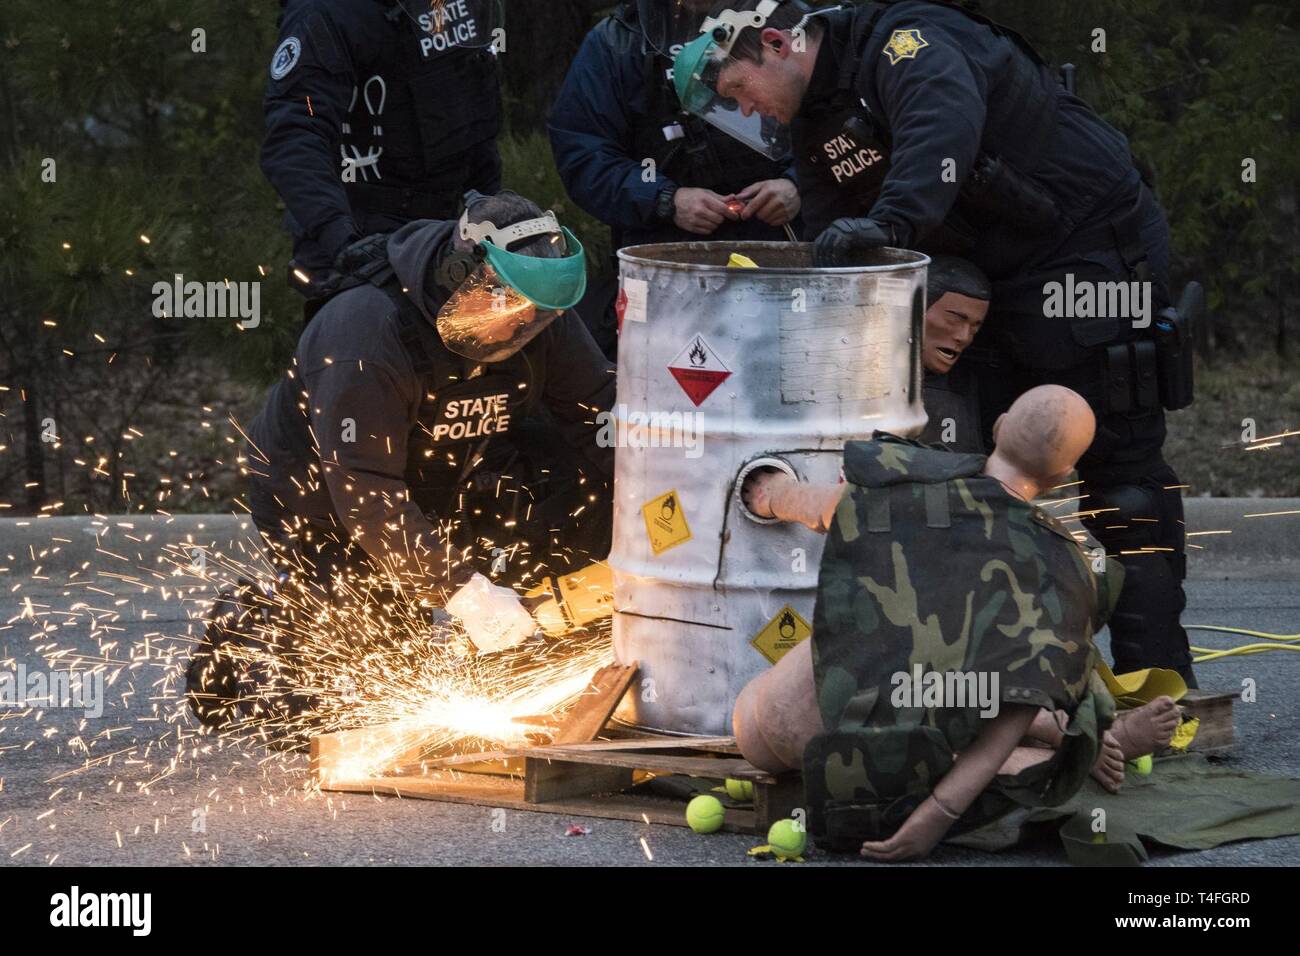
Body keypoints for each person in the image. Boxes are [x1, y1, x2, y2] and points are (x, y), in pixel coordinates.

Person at [674, 0, 1200, 684]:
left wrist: (891, 224)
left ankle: (1160, 690)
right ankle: (995, 687)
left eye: (740, 91)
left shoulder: (906, 46)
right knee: (962, 477)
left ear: (776, 43)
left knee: (1123, 486)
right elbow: (833, 239)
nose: (747, 111)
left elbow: (940, 133)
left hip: (1087, 256)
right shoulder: (815, 121)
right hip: (985, 279)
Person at [188, 191, 615, 726]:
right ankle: (256, 627)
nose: (519, 329)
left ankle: (514, 649)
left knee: (571, 484)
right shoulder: (364, 332)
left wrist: (664, 515)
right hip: (329, 507)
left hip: (450, 481)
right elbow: (367, 490)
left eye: (537, 318)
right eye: (509, 308)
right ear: (461, 272)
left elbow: (602, 417)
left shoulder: (537, 314)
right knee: (357, 702)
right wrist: (465, 593)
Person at [735, 385, 1180, 860]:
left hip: (773, 717)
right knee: (1034, 745)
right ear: (1064, 476)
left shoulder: (904, 480)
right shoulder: (1061, 566)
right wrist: (936, 816)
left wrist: (770, 494)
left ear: (999, 425)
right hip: (892, 757)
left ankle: (1061, 729)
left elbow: (822, 507)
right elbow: (1011, 716)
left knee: (933, 659)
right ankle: (1074, 740)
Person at [548, 0, 802, 357]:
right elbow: (583, 154)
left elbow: (838, 118)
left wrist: (797, 184)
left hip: (778, 247)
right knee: (674, 374)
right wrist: (664, 199)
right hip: (665, 256)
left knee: (783, 365)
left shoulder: (777, 18)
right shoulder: (618, 41)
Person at [262, 0, 504, 303]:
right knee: (370, 327)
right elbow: (296, 134)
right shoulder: (324, 14)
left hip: (445, 229)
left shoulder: (443, 5)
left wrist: (490, 205)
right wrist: (342, 239)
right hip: (358, 234)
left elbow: (474, 114)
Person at [916, 255, 989, 453]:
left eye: (975, 327)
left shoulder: (965, 389)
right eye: (955, 319)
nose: (964, 337)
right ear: (917, 309)